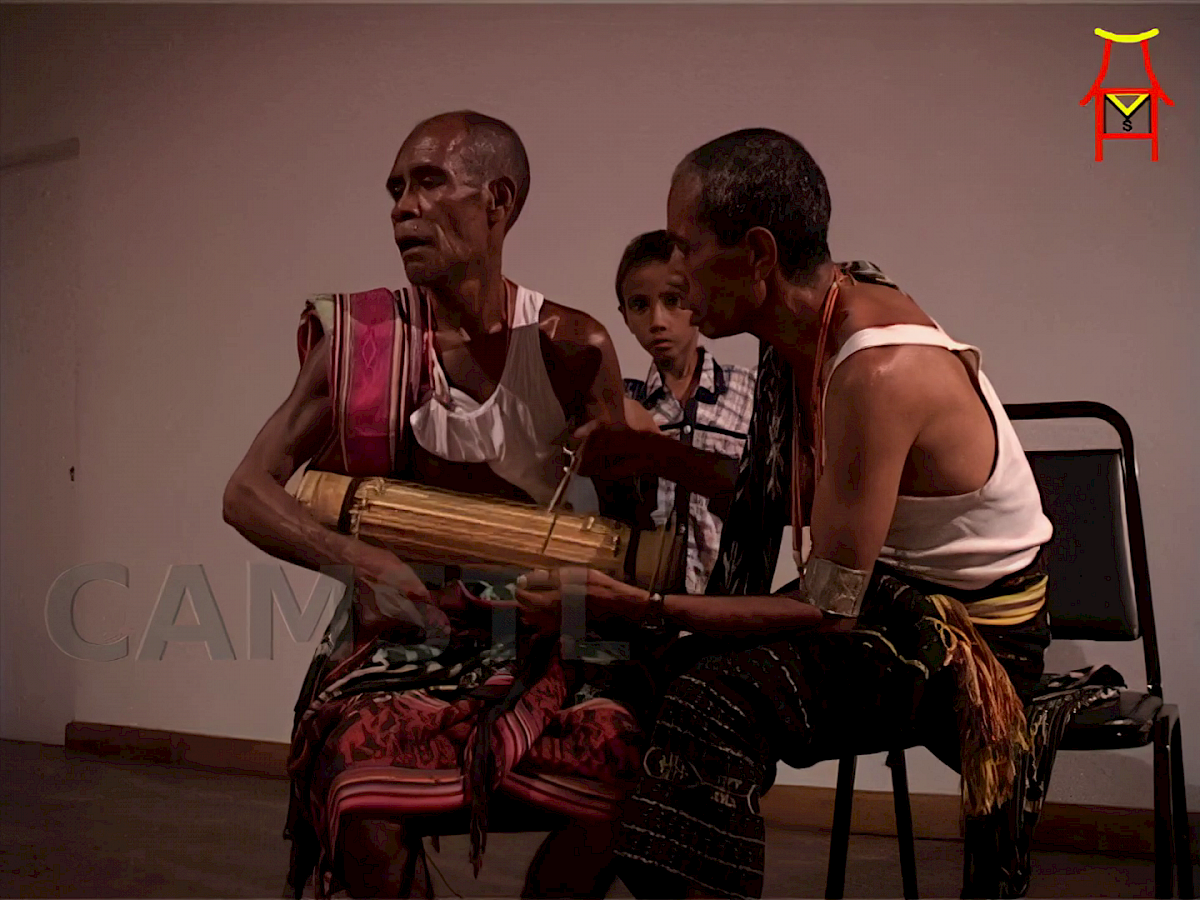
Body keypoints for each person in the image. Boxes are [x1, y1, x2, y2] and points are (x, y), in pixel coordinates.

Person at [516, 129, 1071, 899]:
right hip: (887, 600)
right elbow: (774, 502)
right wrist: (650, 464)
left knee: (710, 703)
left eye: (686, 246)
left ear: (758, 254)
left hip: (971, 640)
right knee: (649, 676)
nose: (674, 269)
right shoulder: (802, 332)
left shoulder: (876, 369)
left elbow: (826, 611)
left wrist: (643, 602)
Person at [223, 110, 649, 899]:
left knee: (632, 773)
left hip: (544, 639)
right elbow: (245, 491)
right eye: (394, 190)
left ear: (499, 200)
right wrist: (359, 561)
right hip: (395, 640)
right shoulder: (359, 340)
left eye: (427, 182)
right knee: (354, 780)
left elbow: (627, 529)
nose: (401, 208)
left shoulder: (572, 347)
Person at [616, 230, 755, 594]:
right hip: (641, 607)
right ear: (625, 316)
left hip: (731, 610)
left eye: (673, 300)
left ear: (698, 299)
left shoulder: (751, 394)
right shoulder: (620, 401)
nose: (658, 321)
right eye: (640, 305)